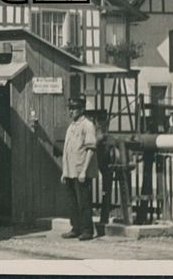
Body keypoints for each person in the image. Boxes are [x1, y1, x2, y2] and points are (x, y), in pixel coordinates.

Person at [60, 97, 98, 240]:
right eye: (70, 108)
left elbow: (91, 148)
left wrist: (84, 171)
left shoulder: (87, 125)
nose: (71, 111)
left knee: (84, 202)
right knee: (73, 202)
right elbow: (67, 150)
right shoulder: (72, 126)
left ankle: (87, 231)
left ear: (82, 109)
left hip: (81, 171)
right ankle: (75, 228)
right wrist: (65, 171)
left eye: (74, 108)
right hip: (70, 171)